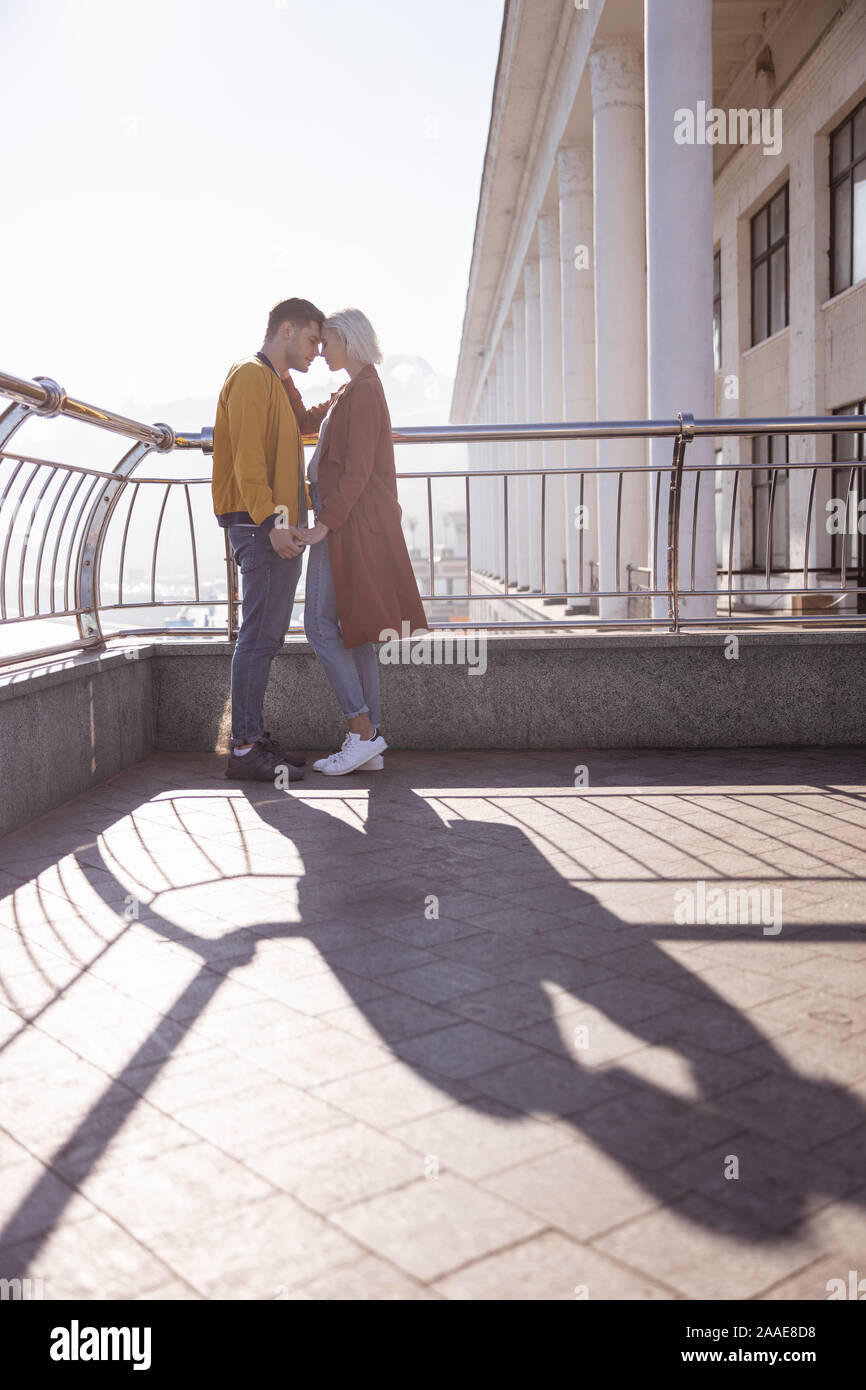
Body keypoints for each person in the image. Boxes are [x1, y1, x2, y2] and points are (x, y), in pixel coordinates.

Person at [297, 309, 429, 775]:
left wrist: (322, 526)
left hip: (348, 524)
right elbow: (301, 421)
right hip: (350, 523)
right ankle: (368, 740)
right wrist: (282, 369)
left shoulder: (366, 392)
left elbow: (356, 472)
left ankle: (362, 731)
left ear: (348, 342)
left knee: (318, 623)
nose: (320, 350)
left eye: (325, 342)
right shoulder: (349, 391)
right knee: (355, 632)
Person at [211, 296, 337, 782]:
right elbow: (246, 460)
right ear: (287, 330)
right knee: (258, 637)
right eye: (311, 340)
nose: (315, 352)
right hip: (261, 526)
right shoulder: (249, 376)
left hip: (272, 525)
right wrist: (272, 523)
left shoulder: (274, 383)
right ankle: (243, 749)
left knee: (265, 636)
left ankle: (252, 736)